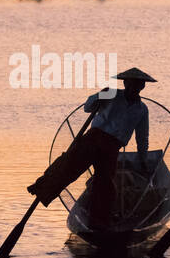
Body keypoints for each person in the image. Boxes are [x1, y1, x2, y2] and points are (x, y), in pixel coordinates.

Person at [29, 67, 154, 231]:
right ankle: (42, 188)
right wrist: (99, 96)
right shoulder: (111, 93)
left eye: (138, 84)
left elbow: (142, 138)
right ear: (125, 83)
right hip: (94, 138)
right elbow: (88, 107)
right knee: (68, 166)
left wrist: (143, 159)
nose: (134, 87)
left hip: (112, 147)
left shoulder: (142, 109)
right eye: (131, 83)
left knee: (105, 185)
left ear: (142, 87)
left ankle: (99, 223)